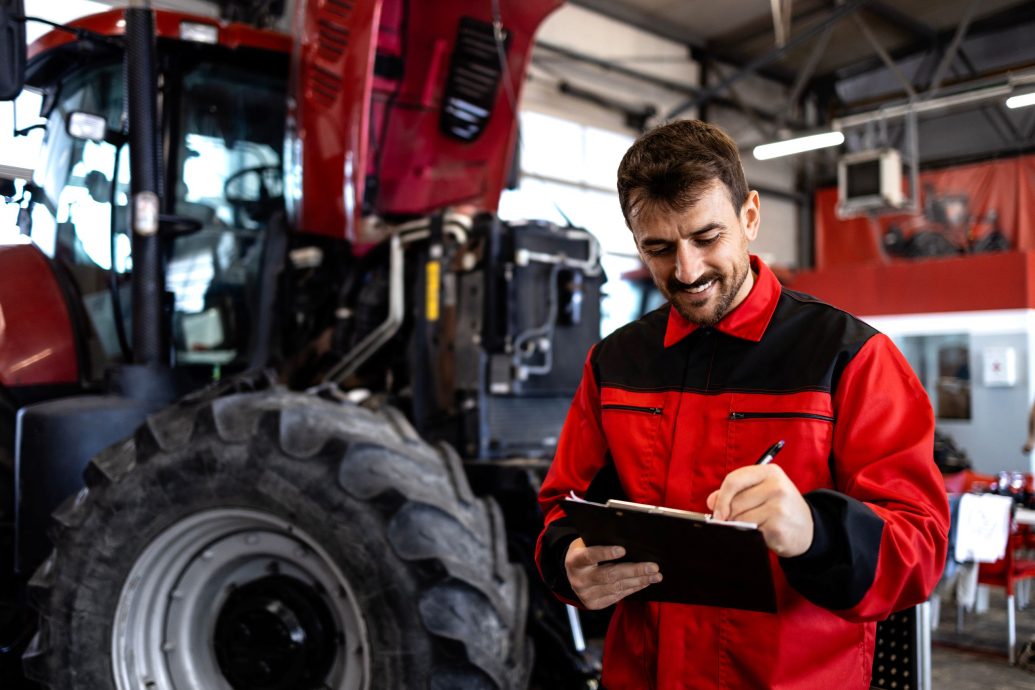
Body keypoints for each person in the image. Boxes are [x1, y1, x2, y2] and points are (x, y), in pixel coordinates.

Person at [535, 119, 950, 689]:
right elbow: (563, 504)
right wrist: (569, 564)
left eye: (707, 238)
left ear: (749, 216)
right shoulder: (614, 363)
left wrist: (813, 531)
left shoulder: (852, 359)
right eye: (659, 248)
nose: (687, 270)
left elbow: (921, 550)